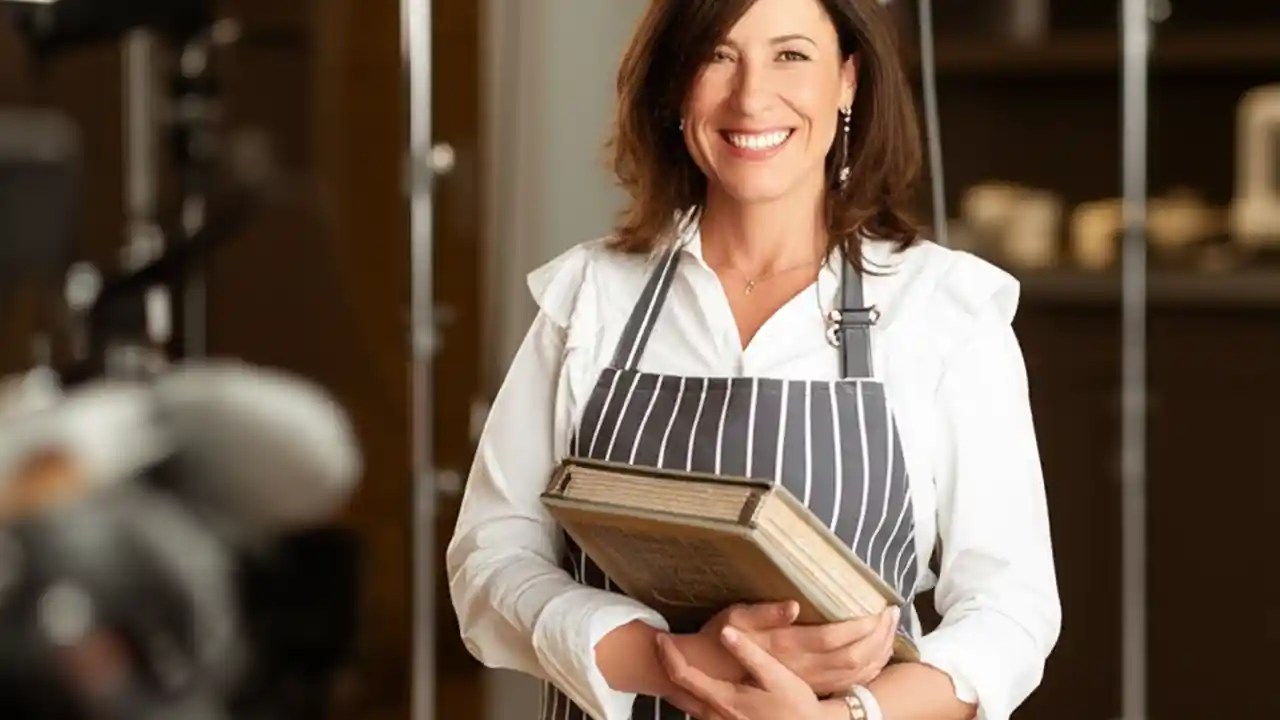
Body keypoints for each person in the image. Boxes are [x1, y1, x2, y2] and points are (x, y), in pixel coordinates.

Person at [446, 0, 1061, 718]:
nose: (751, 95)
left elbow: (1009, 614)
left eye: (791, 55)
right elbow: (489, 563)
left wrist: (843, 716)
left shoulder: (943, 310)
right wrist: (675, 663)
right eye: (717, 54)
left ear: (848, 80)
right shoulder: (590, 298)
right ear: (676, 82)